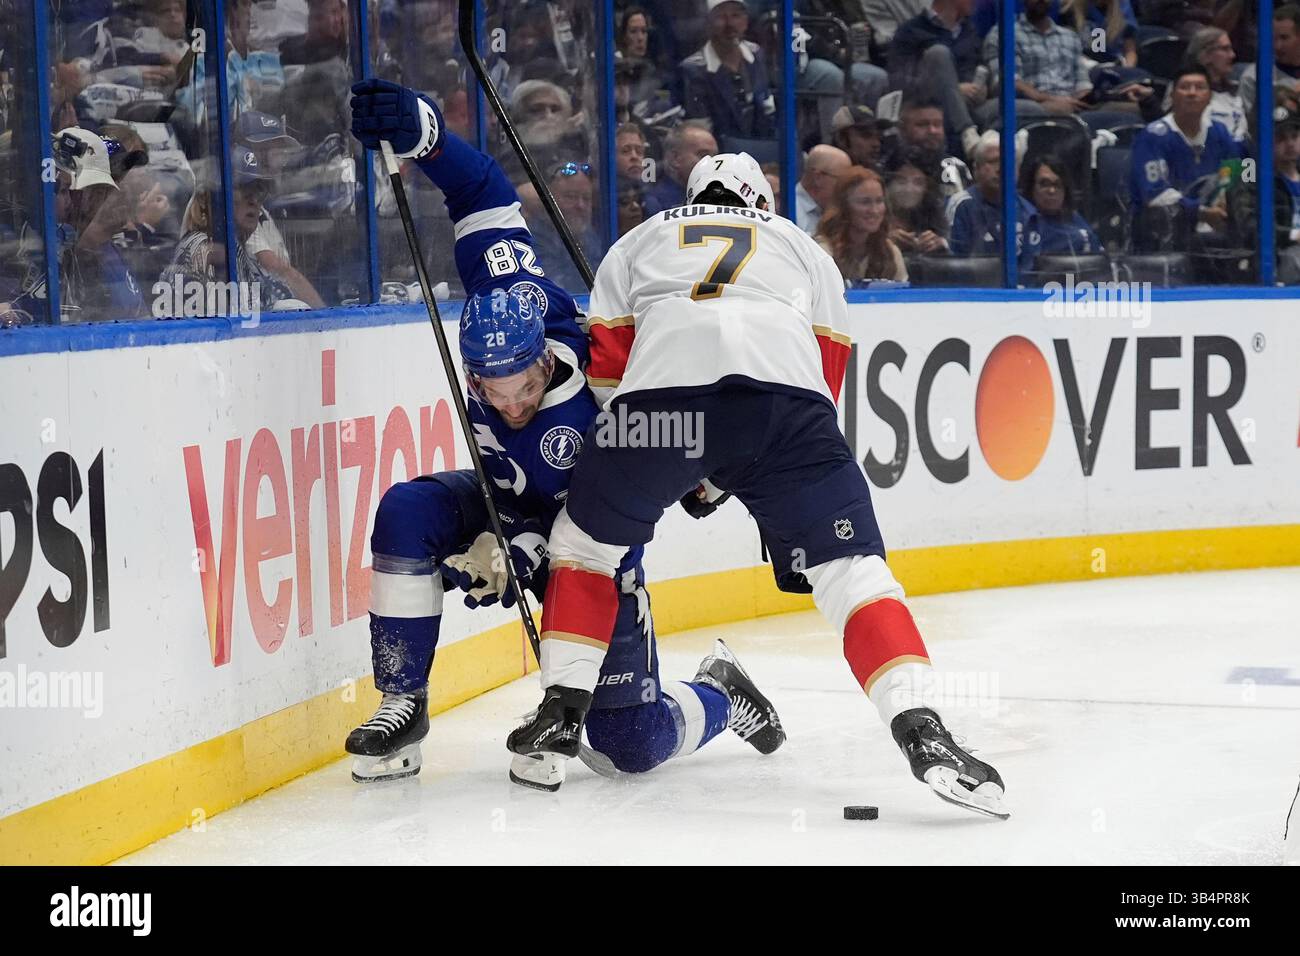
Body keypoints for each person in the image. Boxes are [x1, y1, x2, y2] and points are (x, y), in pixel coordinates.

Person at [508, 150, 1009, 818]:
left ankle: (559, 716)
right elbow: (821, 378)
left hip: (661, 413)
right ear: (760, 204)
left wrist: (671, 463)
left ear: (691, 195)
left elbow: (609, 375)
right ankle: (925, 733)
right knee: (854, 575)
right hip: (786, 416)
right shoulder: (802, 247)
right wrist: (760, 494)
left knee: (585, 546)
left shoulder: (637, 241)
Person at [343, 77, 785, 788]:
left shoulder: (615, 399)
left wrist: (517, 552)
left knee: (624, 750)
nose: (508, 405)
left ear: (547, 361)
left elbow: (621, 520)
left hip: (595, 551)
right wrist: (426, 131)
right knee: (407, 510)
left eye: (523, 388)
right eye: (488, 389)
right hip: (508, 508)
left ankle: (720, 694)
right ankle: (403, 703)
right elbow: (483, 191)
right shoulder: (510, 296)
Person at [1129, 66, 1245, 253]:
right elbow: (1155, 195)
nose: (1192, 93)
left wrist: (1225, 196)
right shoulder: (1153, 136)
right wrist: (1200, 212)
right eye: (1185, 87)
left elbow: (1234, 169)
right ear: (1172, 96)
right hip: (1162, 232)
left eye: (1199, 87)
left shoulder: (1219, 132)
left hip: (1215, 224)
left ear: (1210, 98)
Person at [679, 0, 776, 151]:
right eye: (721, 17)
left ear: (745, 21)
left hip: (761, 151)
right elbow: (702, 132)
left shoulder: (756, 54)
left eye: (736, 15)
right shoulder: (693, 69)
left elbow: (768, 111)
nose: (730, 24)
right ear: (708, 22)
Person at [949, 130, 1041, 268]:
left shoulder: (1028, 212)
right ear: (976, 168)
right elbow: (953, 267)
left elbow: (1030, 271)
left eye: (1009, 162)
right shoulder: (962, 206)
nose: (1000, 168)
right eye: (992, 161)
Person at [816, 165, 908, 282]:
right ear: (844, 206)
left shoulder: (890, 251)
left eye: (879, 201)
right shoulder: (823, 252)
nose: (874, 211)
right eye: (865, 202)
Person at [1020, 154, 1100, 255]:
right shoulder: (1021, 220)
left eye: (1058, 185)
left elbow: (1098, 258)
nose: (1052, 190)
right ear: (1031, 187)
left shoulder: (1073, 219)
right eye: (1044, 184)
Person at [642, 119, 718, 215]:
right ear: (675, 158)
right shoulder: (655, 203)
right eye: (703, 155)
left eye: (715, 156)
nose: (713, 162)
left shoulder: (722, 196)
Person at [883, 146, 950, 255]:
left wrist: (940, 244)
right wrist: (884, 243)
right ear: (888, 183)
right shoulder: (874, 213)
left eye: (918, 182)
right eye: (901, 180)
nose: (909, 189)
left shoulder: (933, 214)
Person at [794, 144, 851, 236]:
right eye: (842, 180)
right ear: (818, 177)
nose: (846, 187)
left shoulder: (842, 211)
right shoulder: (788, 209)